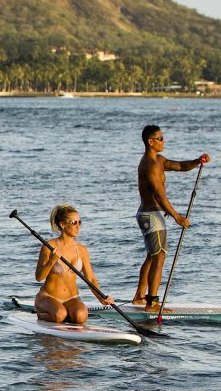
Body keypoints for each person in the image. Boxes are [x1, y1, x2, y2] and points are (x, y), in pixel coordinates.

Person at [133, 125, 210, 309]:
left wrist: (198, 161)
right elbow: (160, 196)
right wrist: (177, 217)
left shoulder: (159, 160)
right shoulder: (149, 166)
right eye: (160, 138)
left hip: (149, 214)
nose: (163, 141)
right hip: (151, 215)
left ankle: (139, 297)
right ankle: (152, 303)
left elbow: (181, 166)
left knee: (152, 256)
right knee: (159, 257)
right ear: (150, 142)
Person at [34, 204, 115, 325]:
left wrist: (101, 298)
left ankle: (66, 315)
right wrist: (51, 261)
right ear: (62, 225)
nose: (78, 226)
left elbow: (90, 278)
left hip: (71, 298)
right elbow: (39, 277)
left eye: (79, 222)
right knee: (59, 315)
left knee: (81, 316)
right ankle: (43, 314)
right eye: (73, 222)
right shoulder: (48, 246)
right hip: (48, 297)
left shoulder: (81, 250)